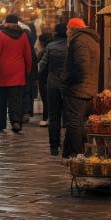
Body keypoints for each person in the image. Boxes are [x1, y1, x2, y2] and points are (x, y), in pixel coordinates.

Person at [62, 18, 101, 158]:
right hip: (88, 88)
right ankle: (68, 152)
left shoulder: (79, 41)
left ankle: (78, 154)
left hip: (78, 89)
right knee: (77, 121)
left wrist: (67, 79)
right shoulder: (90, 39)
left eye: (67, 29)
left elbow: (81, 67)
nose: (66, 32)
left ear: (72, 29)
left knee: (74, 122)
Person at [0, 14, 31, 133]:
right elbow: (27, 54)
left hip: (3, 72)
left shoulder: (1, 35)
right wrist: (28, 70)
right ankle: (16, 121)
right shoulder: (23, 35)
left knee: (0, 100)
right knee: (16, 100)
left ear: (6, 23)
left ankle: (0, 124)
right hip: (18, 72)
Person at [39, 23, 68, 155]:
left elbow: (42, 66)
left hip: (53, 84)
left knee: (54, 116)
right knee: (69, 116)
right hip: (68, 85)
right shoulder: (71, 46)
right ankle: (68, 146)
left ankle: (54, 147)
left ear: (55, 33)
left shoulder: (51, 47)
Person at [19, 21, 37, 122]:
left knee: (24, 91)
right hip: (28, 70)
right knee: (28, 91)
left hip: (23, 69)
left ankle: (23, 112)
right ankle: (26, 112)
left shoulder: (22, 38)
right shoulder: (29, 39)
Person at [35, 32, 54, 126]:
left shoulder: (43, 52)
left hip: (44, 78)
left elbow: (40, 66)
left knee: (46, 100)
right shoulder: (55, 49)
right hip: (55, 77)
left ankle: (46, 118)